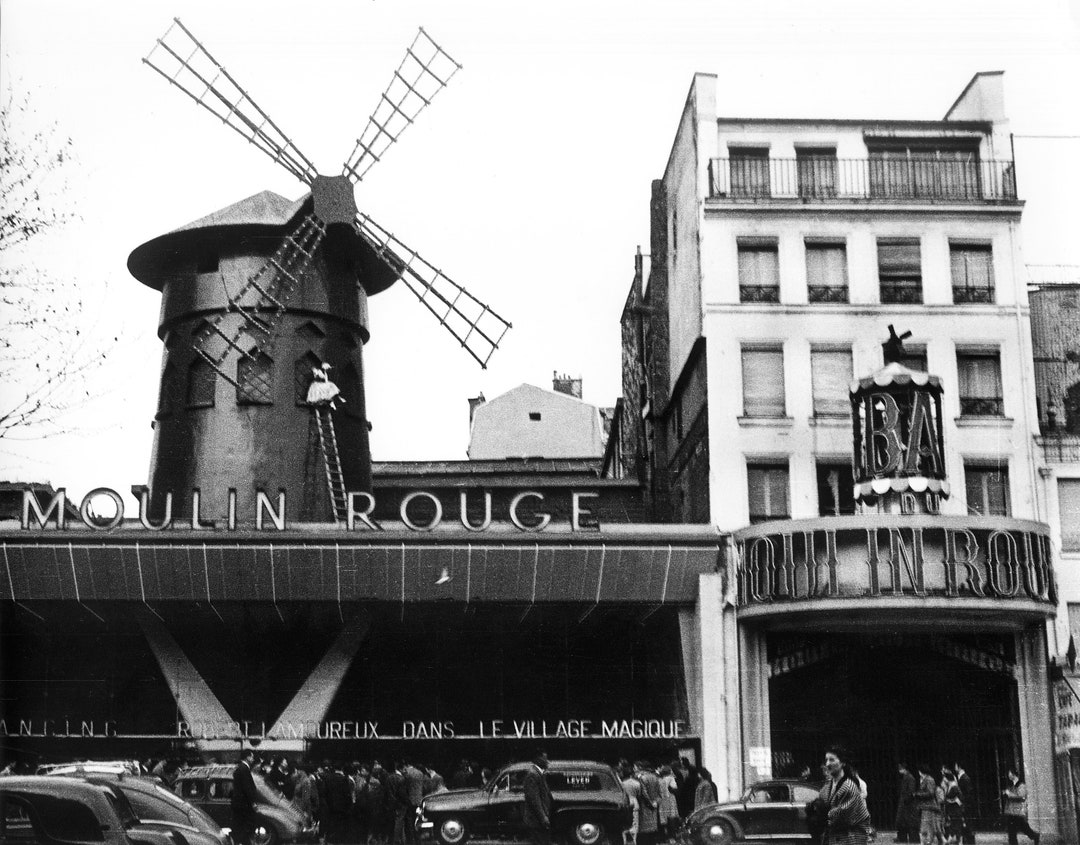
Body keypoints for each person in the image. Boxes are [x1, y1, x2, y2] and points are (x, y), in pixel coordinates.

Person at [817, 746, 871, 845]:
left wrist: (823, 814)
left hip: (851, 839)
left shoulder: (849, 787)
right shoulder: (826, 787)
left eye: (832, 760)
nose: (827, 764)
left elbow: (842, 816)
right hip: (833, 838)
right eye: (826, 760)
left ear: (843, 763)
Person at [1001, 769, 1040, 845]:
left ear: (1014, 774)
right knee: (1012, 832)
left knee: (1024, 829)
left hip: (1017, 812)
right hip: (1011, 811)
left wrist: (1009, 793)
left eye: (1010, 773)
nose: (1008, 775)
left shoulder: (1021, 785)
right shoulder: (1012, 785)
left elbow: (1021, 796)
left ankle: (1035, 836)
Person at [231, 749, 261, 845]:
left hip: (240, 803)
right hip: (244, 804)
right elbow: (247, 788)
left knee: (241, 826)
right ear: (247, 757)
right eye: (251, 756)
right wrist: (253, 802)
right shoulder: (244, 769)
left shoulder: (241, 768)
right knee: (246, 826)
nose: (252, 759)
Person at [523, 753, 553, 845]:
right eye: (545, 759)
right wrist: (543, 817)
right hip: (536, 819)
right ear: (539, 760)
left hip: (540, 818)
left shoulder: (539, 773)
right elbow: (534, 799)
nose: (547, 761)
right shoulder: (533, 774)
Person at [915, 763, 944, 845]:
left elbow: (931, 793)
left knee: (927, 826)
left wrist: (918, 794)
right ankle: (931, 841)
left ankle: (928, 842)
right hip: (924, 806)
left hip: (929, 806)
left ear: (921, 771)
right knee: (927, 826)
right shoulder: (925, 779)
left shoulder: (929, 780)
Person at [634, 761, 661, 845]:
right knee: (652, 830)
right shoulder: (655, 777)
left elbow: (644, 793)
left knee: (644, 830)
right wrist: (656, 802)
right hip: (654, 806)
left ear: (640, 767)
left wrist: (650, 803)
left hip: (645, 806)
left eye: (635, 767)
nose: (634, 769)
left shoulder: (641, 778)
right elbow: (659, 793)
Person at [895, 762, 920, 843]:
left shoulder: (910, 778)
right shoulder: (906, 777)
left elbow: (911, 792)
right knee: (902, 824)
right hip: (905, 805)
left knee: (910, 824)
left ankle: (911, 840)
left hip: (908, 806)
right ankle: (903, 839)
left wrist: (906, 800)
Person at [940, 768, 963, 845]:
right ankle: (954, 840)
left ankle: (956, 840)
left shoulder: (954, 787)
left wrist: (947, 800)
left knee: (955, 825)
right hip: (953, 810)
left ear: (947, 778)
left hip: (955, 810)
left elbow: (955, 798)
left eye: (945, 778)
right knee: (954, 825)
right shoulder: (951, 786)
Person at [953, 762, 974, 845]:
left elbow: (968, 793)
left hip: (965, 806)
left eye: (955, 766)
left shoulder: (965, 778)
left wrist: (961, 801)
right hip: (963, 805)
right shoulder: (961, 777)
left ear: (959, 766)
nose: (955, 768)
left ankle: (970, 842)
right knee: (965, 826)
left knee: (967, 826)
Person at [658, 764, 681, 838]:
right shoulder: (671, 778)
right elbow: (674, 788)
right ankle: (672, 834)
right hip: (670, 798)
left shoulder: (661, 779)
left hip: (662, 799)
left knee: (664, 816)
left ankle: (665, 834)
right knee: (671, 815)